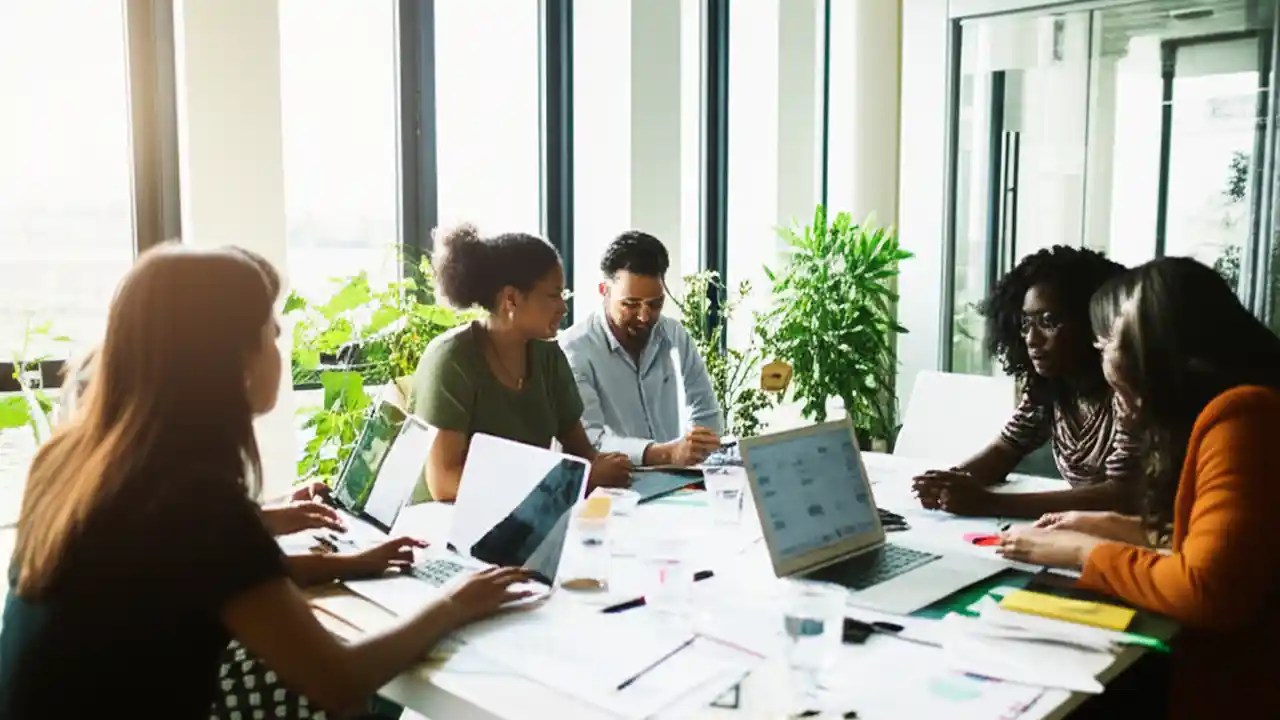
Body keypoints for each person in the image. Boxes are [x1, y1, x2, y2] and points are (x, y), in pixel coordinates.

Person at [0, 244, 533, 719]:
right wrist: (453, 604)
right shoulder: (195, 500)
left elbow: (185, 575)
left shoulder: (72, 459)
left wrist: (345, 562)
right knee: (359, 699)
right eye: (272, 335)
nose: (280, 351)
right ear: (229, 358)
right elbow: (336, 678)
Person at [998, 257, 1280, 718]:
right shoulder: (1238, 410)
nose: (1103, 356)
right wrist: (1124, 527)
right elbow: (1238, 553)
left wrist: (1078, 552)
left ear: (1163, 347)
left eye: (1108, 341)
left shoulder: (1243, 418)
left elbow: (1206, 589)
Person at [913, 246, 1140, 518]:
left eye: (1048, 321)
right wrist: (949, 483)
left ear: (1092, 323)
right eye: (1025, 323)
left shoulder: (1132, 394)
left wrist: (989, 503)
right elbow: (1004, 449)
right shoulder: (1050, 388)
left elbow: (1122, 495)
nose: (1031, 338)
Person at [410, 224, 631, 501]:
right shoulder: (451, 359)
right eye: (554, 295)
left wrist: (608, 466)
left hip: (518, 520)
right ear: (511, 299)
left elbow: (582, 456)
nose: (563, 307)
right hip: (437, 524)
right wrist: (566, 482)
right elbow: (445, 482)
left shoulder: (548, 356)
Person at [560, 231, 724, 467]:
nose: (644, 316)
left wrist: (700, 447)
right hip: (615, 489)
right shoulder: (574, 350)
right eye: (630, 304)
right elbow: (589, 442)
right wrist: (666, 454)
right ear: (603, 291)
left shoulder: (674, 335)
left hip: (682, 482)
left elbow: (707, 416)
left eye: (655, 304)